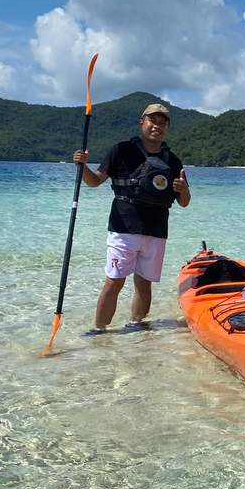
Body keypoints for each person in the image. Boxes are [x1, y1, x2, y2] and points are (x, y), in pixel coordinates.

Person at [72, 103, 191, 334]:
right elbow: (95, 181)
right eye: (152, 121)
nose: (157, 126)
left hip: (156, 230)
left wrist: (184, 189)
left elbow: (184, 202)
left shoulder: (173, 160)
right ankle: (99, 330)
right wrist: (82, 166)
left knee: (144, 282)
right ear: (142, 122)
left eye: (163, 123)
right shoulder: (121, 150)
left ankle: (137, 324)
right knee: (114, 280)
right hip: (123, 228)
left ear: (167, 127)